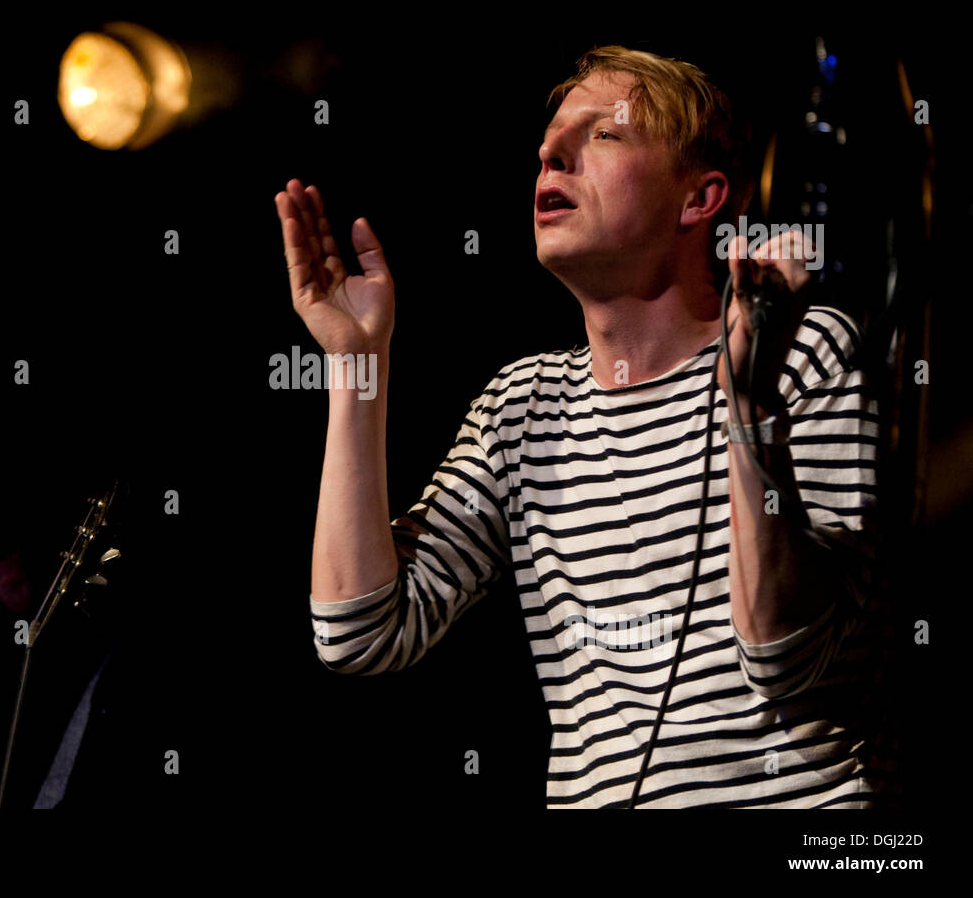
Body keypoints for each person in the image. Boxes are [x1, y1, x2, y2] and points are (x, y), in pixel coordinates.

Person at [273, 45, 898, 808]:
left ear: (698, 200)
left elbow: (780, 653)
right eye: (548, 144)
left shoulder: (805, 348)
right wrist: (355, 366)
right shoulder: (522, 405)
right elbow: (358, 631)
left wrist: (749, 405)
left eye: (603, 134)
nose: (548, 154)